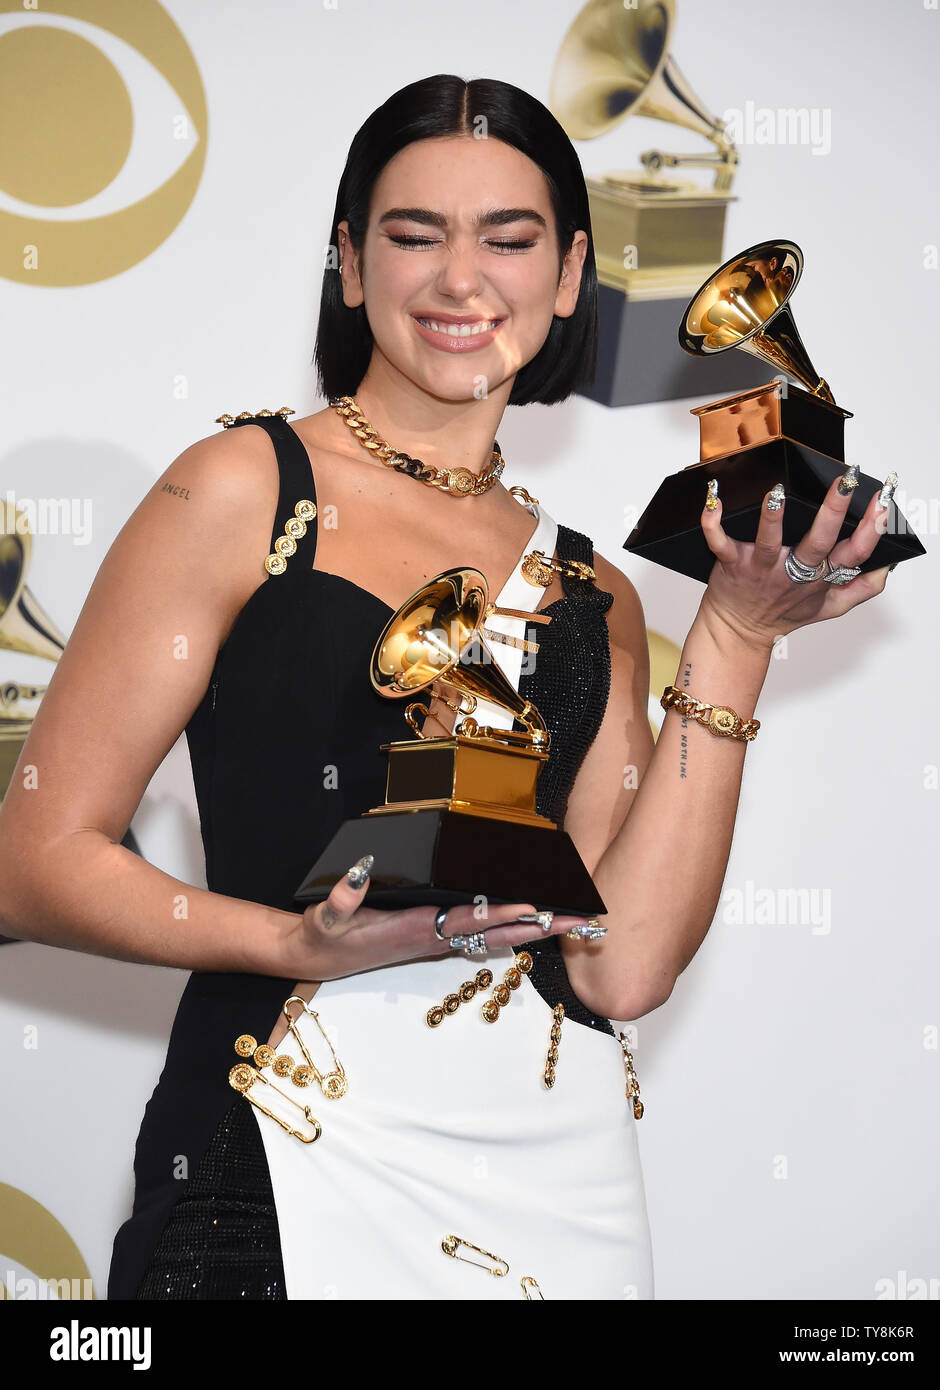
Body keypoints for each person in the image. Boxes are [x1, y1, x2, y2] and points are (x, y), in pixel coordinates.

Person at [0, 74, 891, 1302]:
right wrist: (290, 940)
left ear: (569, 276)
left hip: (555, 1190)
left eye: (508, 240)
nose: (460, 280)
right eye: (414, 235)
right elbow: (32, 862)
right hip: (276, 1141)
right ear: (350, 263)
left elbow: (619, 970)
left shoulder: (593, 590)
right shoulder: (239, 489)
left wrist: (734, 636)